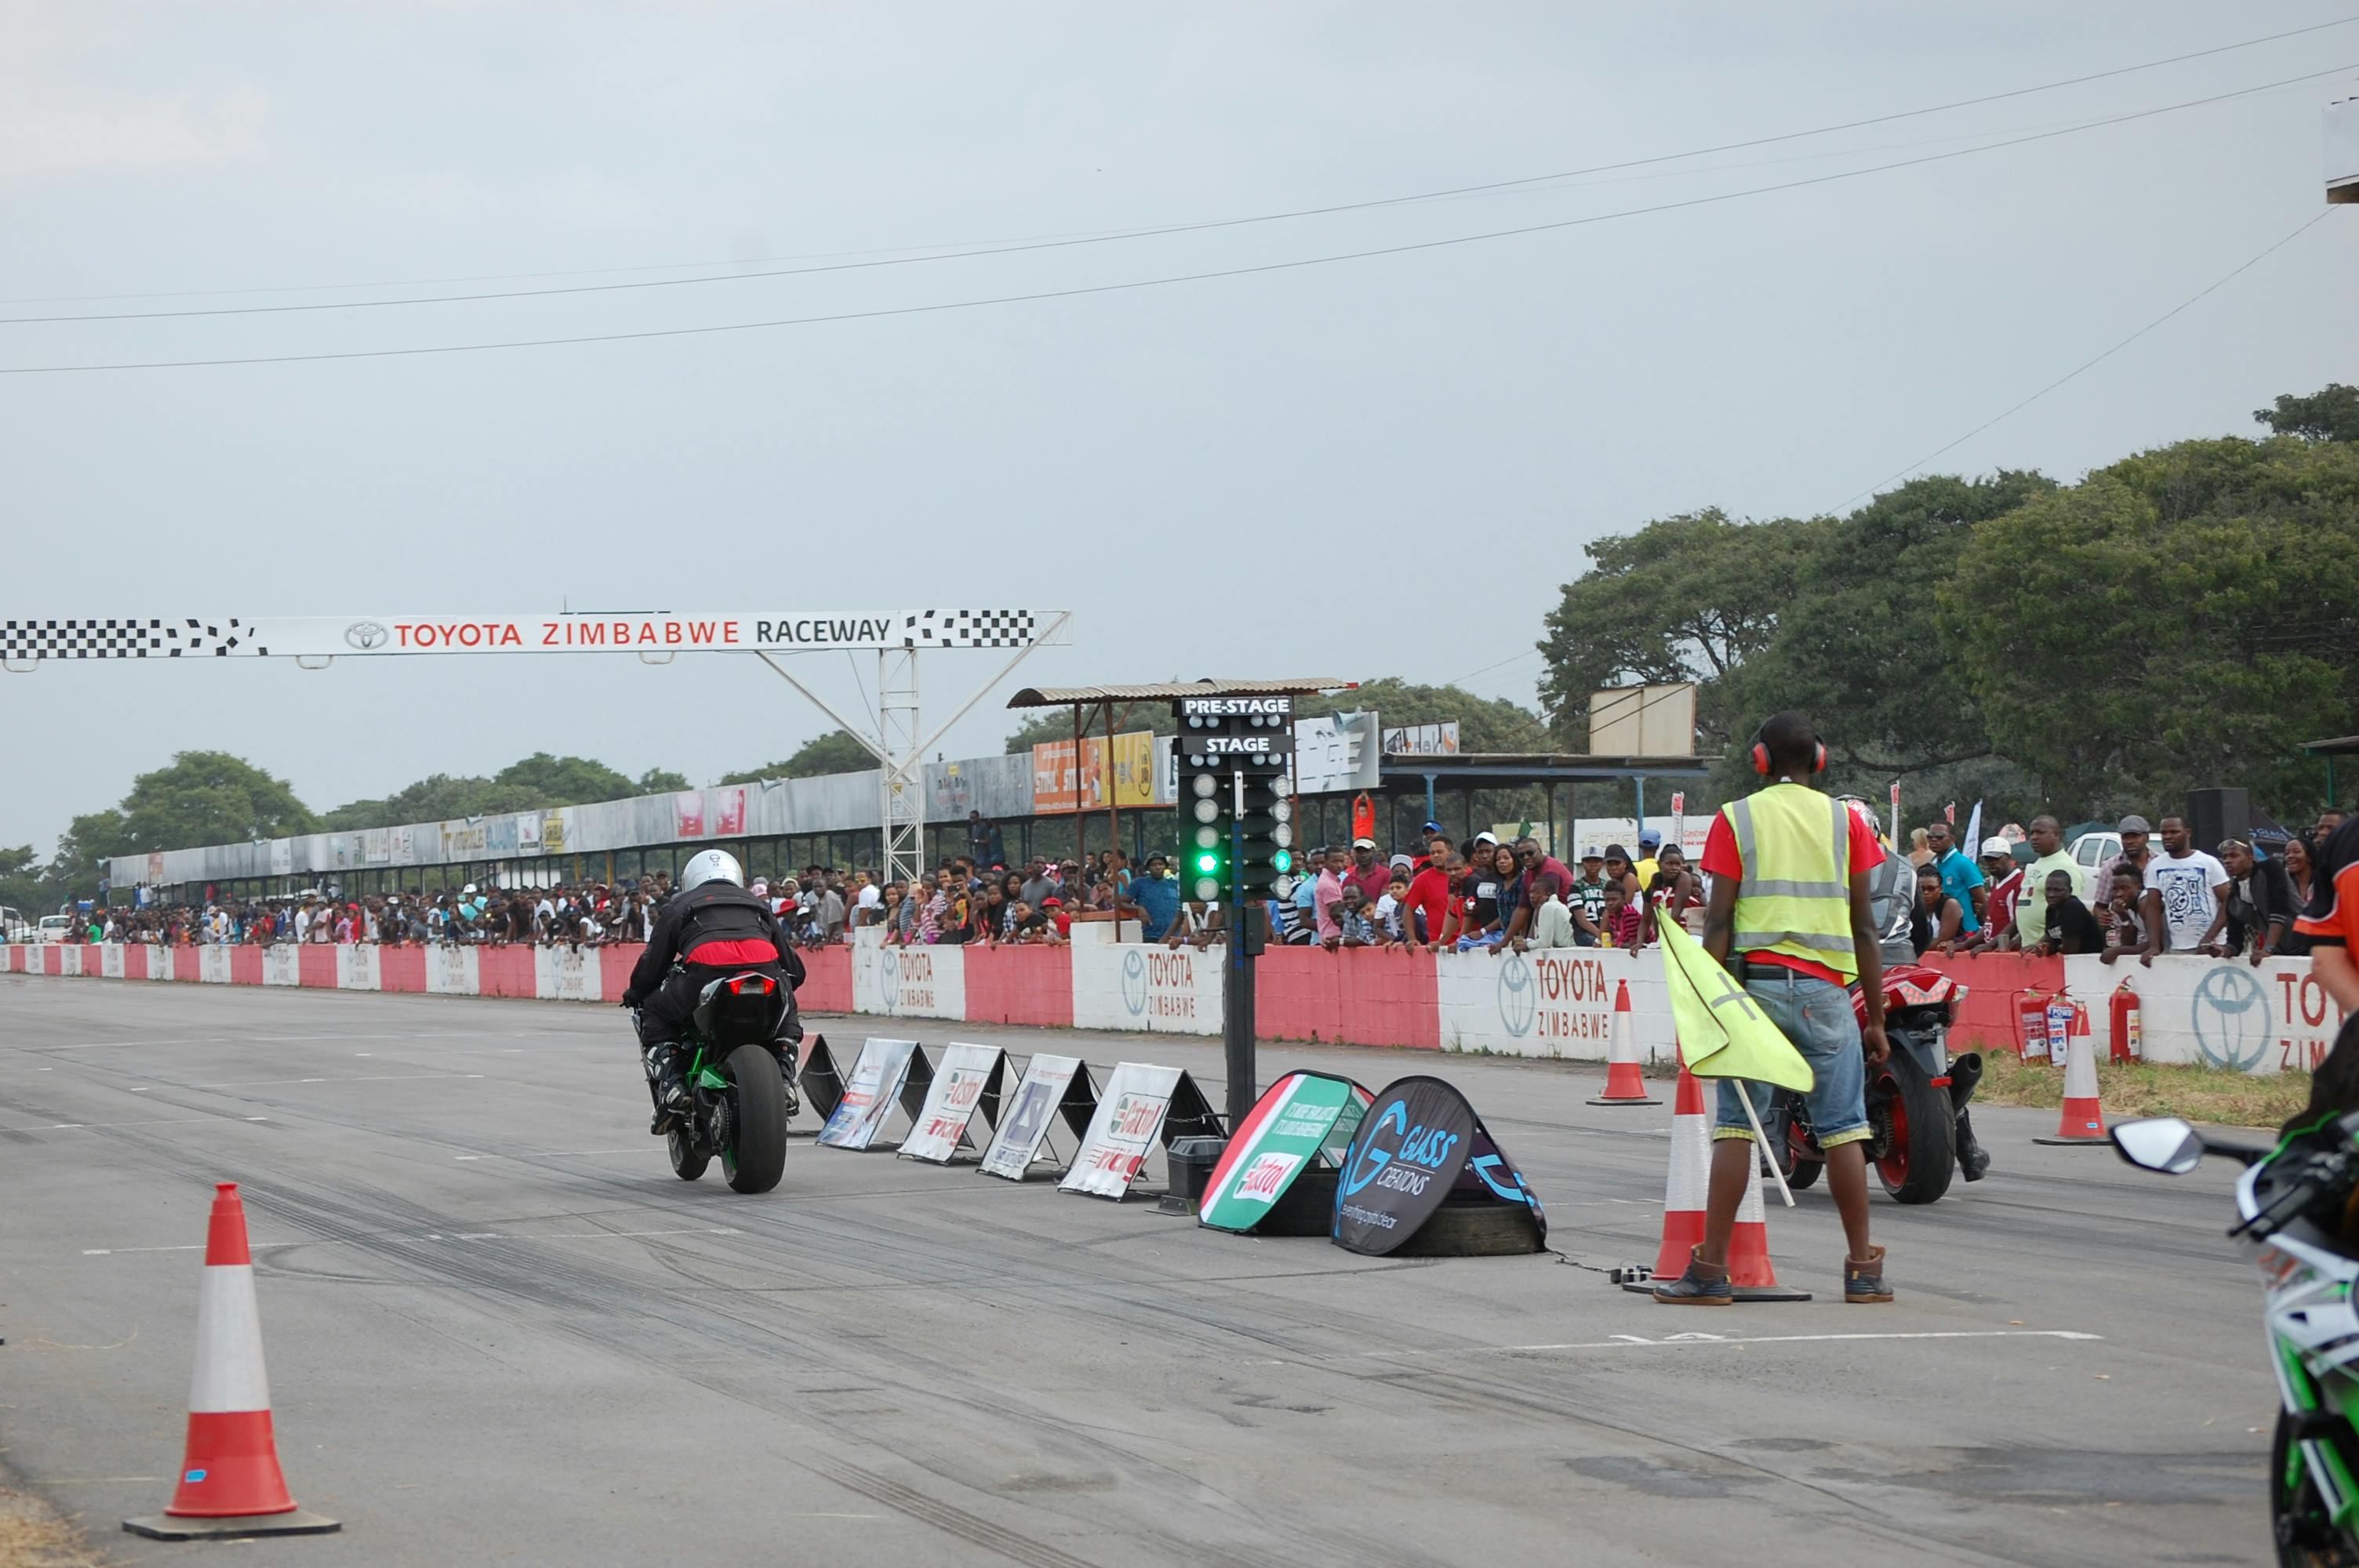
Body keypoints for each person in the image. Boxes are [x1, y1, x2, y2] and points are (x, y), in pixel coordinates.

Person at [1656, 711, 1892, 1308]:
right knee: (1844, 1131)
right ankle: (1863, 1270)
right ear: (1820, 759)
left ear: (1760, 761)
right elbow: (1866, 926)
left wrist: (1709, 1008)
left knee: (1738, 1126)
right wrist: (1879, 1018)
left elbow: (1717, 921)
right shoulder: (1847, 821)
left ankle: (1709, 1270)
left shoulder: (1736, 818)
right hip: (1826, 997)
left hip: (1752, 993)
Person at [619, 849, 803, 1134]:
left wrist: (635, 993)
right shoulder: (758, 904)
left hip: (704, 978)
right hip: (764, 974)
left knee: (653, 1007)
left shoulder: (678, 906)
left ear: (690, 880)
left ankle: (673, 1085)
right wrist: (787, 987)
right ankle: (786, 1079)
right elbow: (795, 969)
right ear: (736, 877)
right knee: (787, 1003)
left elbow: (653, 963)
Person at [2145, 814, 2230, 953]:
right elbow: (2153, 908)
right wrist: (2154, 946)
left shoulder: (2208, 862)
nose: (2167, 836)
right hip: (2179, 947)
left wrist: (2209, 937)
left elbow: (2229, 900)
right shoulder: (2155, 866)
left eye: (2174, 832)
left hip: (2213, 946)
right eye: (2164, 833)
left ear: (2188, 833)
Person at [2208, 838, 2295, 964]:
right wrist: (2222, 951)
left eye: (2234, 856)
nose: (2227, 861)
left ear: (2250, 857)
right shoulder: (2234, 895)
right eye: (2225, 857)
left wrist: (2268, 948)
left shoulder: (2270, 868)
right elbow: (2235, 943)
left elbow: (2279, 910)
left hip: (2306, 946)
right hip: (2280, 955)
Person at [1923, 822, 1985, 936]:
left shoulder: (1963, 864)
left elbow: (1981, 900)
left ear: (1952, 839)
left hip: (1965, 932)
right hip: (1940, 928)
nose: (1933, 840)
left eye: (1939, 837)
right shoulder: (1933, 865)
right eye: (1930, 837)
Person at [2099, 865, 2163, 967]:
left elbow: (2159, 944)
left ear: (2139, 888)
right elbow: (2130, 943)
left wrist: (2117, 951)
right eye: (2115, 889)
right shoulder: (2130, 905)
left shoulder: (2145, 903)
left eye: (2124, 888)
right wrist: (2123, 917)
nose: (2119, 894)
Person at [2030, 869, 2103, 956]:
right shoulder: (2051, 909)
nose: (2051, 895)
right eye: (2048, 889)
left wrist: (2051, 948)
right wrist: (2036, 947)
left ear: (2070, 890)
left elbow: (2070, 950)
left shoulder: (2072, 907)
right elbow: (2048, 937)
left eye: (2058, 890)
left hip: (2089, 961)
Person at [1910, 865, 1965, 956]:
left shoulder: (1951, 905)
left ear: (1941, 889)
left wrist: (1909, 947)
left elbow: (1941, 942)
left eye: (1931, 889)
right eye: (1921, 889)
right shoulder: (1913, 905)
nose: (1926, 893)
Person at [2281, 834, 2320, 958]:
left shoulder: (2323, 883)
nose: (2290, 857)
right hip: (2289, 948)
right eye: (2287, 853)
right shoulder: (2282, 884)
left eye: (2296, 852)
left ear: (2309, 857)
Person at [1129, 853, 1180, 942]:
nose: (1158, 867)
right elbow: (1121, 902)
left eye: (1161, 864)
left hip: (1174, 936)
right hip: (1151, 934)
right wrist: (1139, 908)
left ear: (1165, 866)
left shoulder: (1173, 884)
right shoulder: (1139, 883)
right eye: (1154, 865)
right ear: (1148, 868)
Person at [1525, 873, 1576, 949]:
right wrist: (1537, 910)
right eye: (1531, 892)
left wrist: (1526, 945)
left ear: (1548, 894)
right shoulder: (1557, 905)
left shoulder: (1548, 907)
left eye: (1537, 893)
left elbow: (1545, 943)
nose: (1532, 896)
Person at [1345, 837, 1391, 904]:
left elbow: (1385, 901)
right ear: (1355, 854)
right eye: (1360, 852)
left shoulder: (1386, 874)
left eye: (1367, 851)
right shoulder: (1349, 879)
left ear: (1374, 852)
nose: (1363, 855)